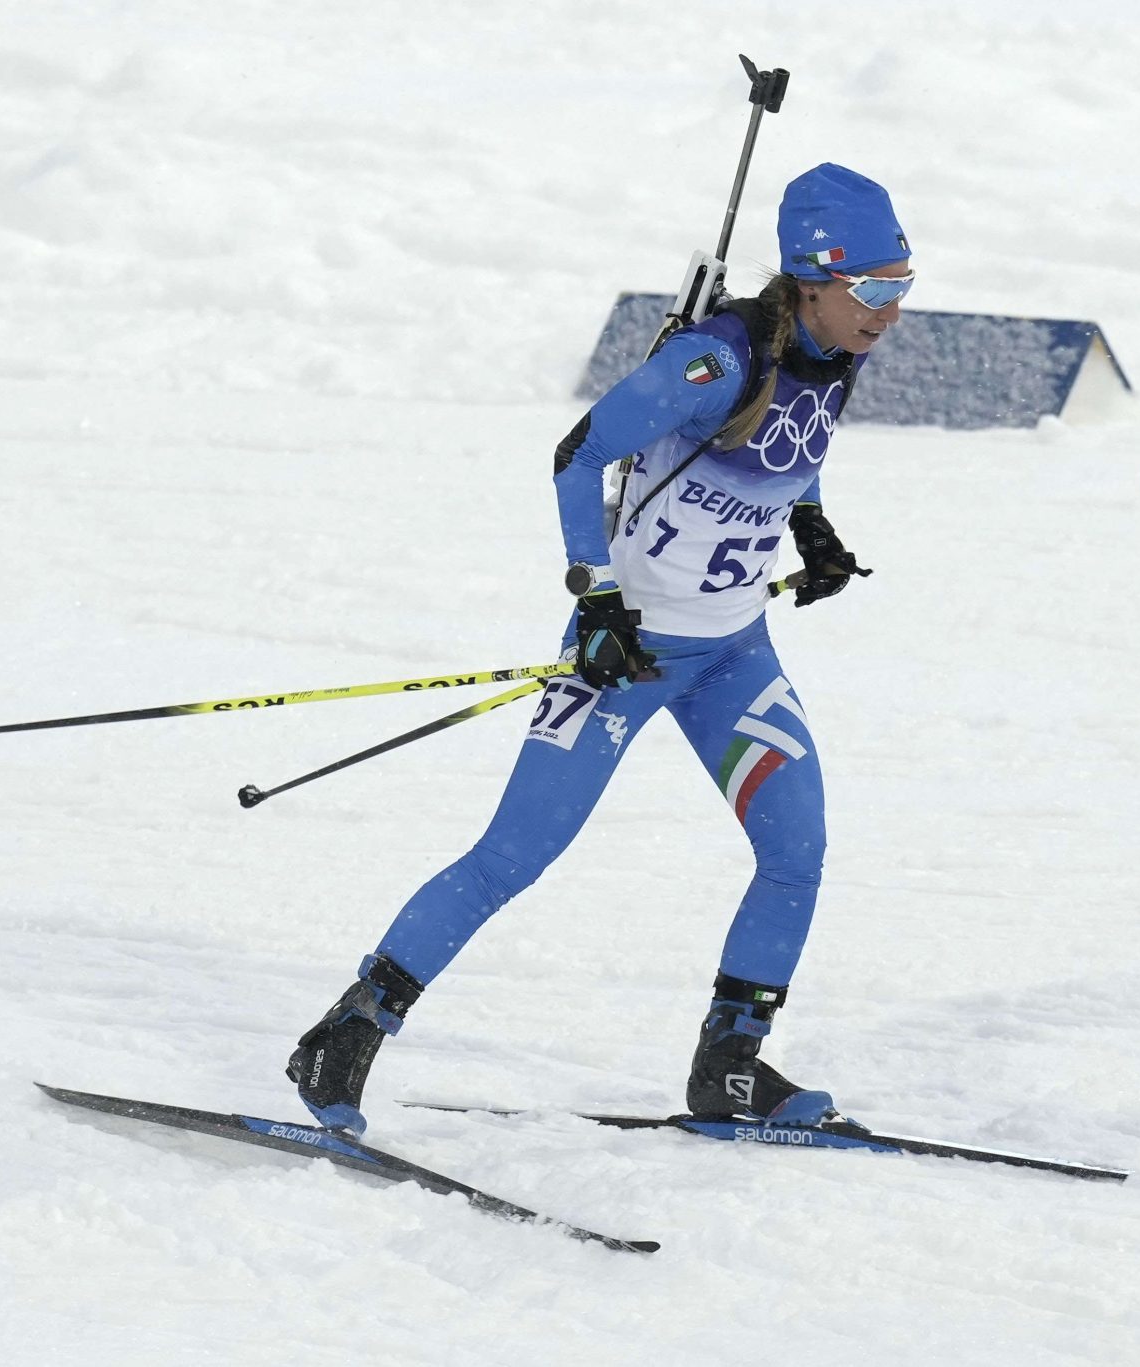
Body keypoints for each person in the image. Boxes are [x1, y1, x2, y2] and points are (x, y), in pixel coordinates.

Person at [287, 163, 914, 1137]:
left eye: (902, 284)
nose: (891, 309)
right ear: (811, 277)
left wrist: (814, 530)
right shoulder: (714, 361)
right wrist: (599, 593)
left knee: (796, 849)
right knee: (513, 854)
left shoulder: (835, 351)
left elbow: (791, 451)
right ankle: (347, 1029)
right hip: (628, 653)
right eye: (874, 288)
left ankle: (729, 1067)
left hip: (732, 655)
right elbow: (577, 452)